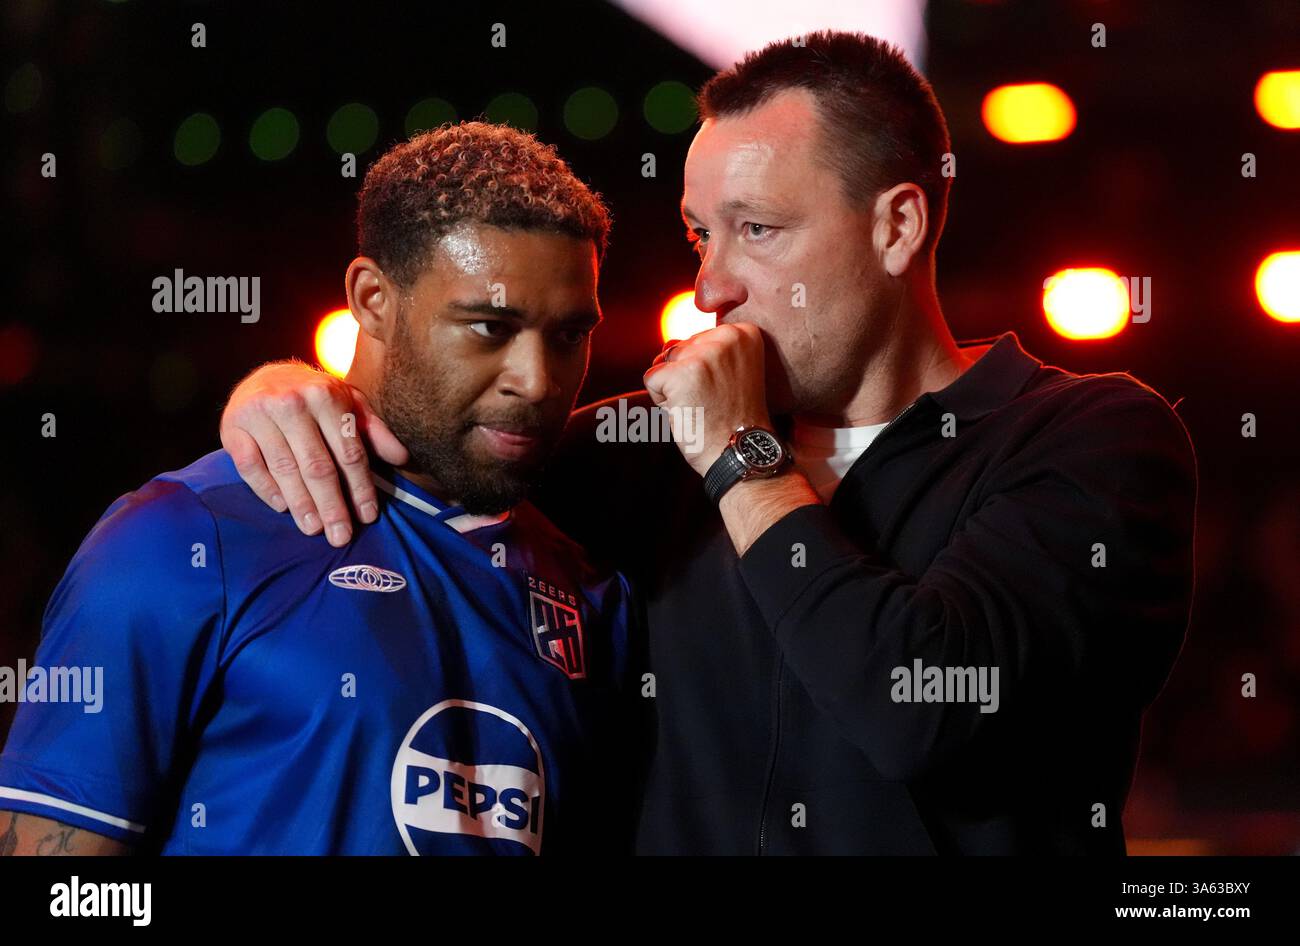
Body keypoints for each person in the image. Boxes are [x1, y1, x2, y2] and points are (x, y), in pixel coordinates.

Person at [217, 32, 1197, 854]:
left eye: (757, 229)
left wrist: (742, 458)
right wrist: (292, 395)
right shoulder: (640, 452)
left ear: (898, 226)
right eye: (698, 237)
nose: (711, 286)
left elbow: (920, 709)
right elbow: (421, 458)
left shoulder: (1089, 439)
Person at [0, 121, 636, 855]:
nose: (538, 380)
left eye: (568, 336)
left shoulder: (594, 590)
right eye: (490, 327)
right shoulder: (183, 538)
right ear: (371, 299)